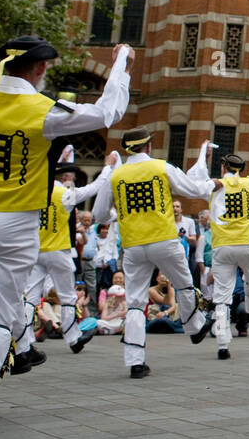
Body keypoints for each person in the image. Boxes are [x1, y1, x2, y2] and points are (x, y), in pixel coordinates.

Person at [0, 29, 132, 437]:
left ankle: (25, 346)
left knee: (5, 290)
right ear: (39, 68)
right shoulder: (44, 110)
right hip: (11, 223)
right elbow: (107, 113)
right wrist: (121, 63)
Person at [90, 127, 216, 378]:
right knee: (184, 285)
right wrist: (212, 182)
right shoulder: (161, 167)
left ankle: (136, 362)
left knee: (136, 302)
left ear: (127, 149)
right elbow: (193, 190)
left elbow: (98, 215)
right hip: (164, 239)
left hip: (134, 245)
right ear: (148, 146)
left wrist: (119, 214)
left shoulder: (116, 176)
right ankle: (194, 327)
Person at [11, 157, 117, 370]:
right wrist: (107, 167)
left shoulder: (38, 192)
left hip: (36, 250)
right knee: (67, 296)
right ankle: (73, 338)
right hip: (58, 250)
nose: (74, 181)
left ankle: (25, 338)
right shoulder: (65, 194)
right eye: (73, 178)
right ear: (66, 178)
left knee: (30, 296)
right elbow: (94, 188)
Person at [189, 136, 249, 359]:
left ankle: (222, 345)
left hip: (222, 247)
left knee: (222, 297)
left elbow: (193, 181)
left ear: (223, 167)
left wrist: (203, 154)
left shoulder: (216, 186)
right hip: (247, 244)